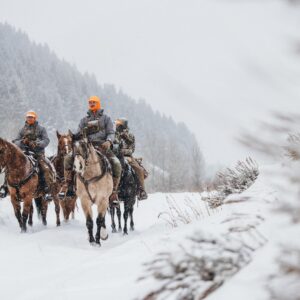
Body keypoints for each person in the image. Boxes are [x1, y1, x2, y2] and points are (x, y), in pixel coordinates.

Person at [62, 96, 122, 205]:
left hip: (102, 146)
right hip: (86, 147)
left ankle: (113, 192)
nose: (92, 104)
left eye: (94, 102)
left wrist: (108, 141)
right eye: (90, 102)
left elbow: (111, 133)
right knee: (67, 158)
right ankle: (67, 185)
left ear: (98, 103)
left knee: (117, 163)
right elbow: (79, 133)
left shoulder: (106, 118)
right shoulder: (84, 120)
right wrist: (73, 136)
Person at [9, 111, 54, 199]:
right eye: (28, 117)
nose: (29, 119)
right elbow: (15, 141)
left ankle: (47, 190)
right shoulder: (22, 129)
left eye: (31, 117)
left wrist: (37, 143)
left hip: (38, 154)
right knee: (10, 166)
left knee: (45, 168)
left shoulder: (41, 129)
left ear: (35, 118)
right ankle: (5, 188)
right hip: (24, 153)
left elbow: (46, 140)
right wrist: (22, 141)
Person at [115, 118, 148, 200]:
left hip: (127, 156)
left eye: (119, 124)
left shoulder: (130, 136)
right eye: (116, 124)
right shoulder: (114, 134)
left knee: (139, 169)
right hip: (115, 155)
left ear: (123, 125)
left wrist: (123, 151)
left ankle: (141, 190)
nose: (117, 125)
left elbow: (131, 149)